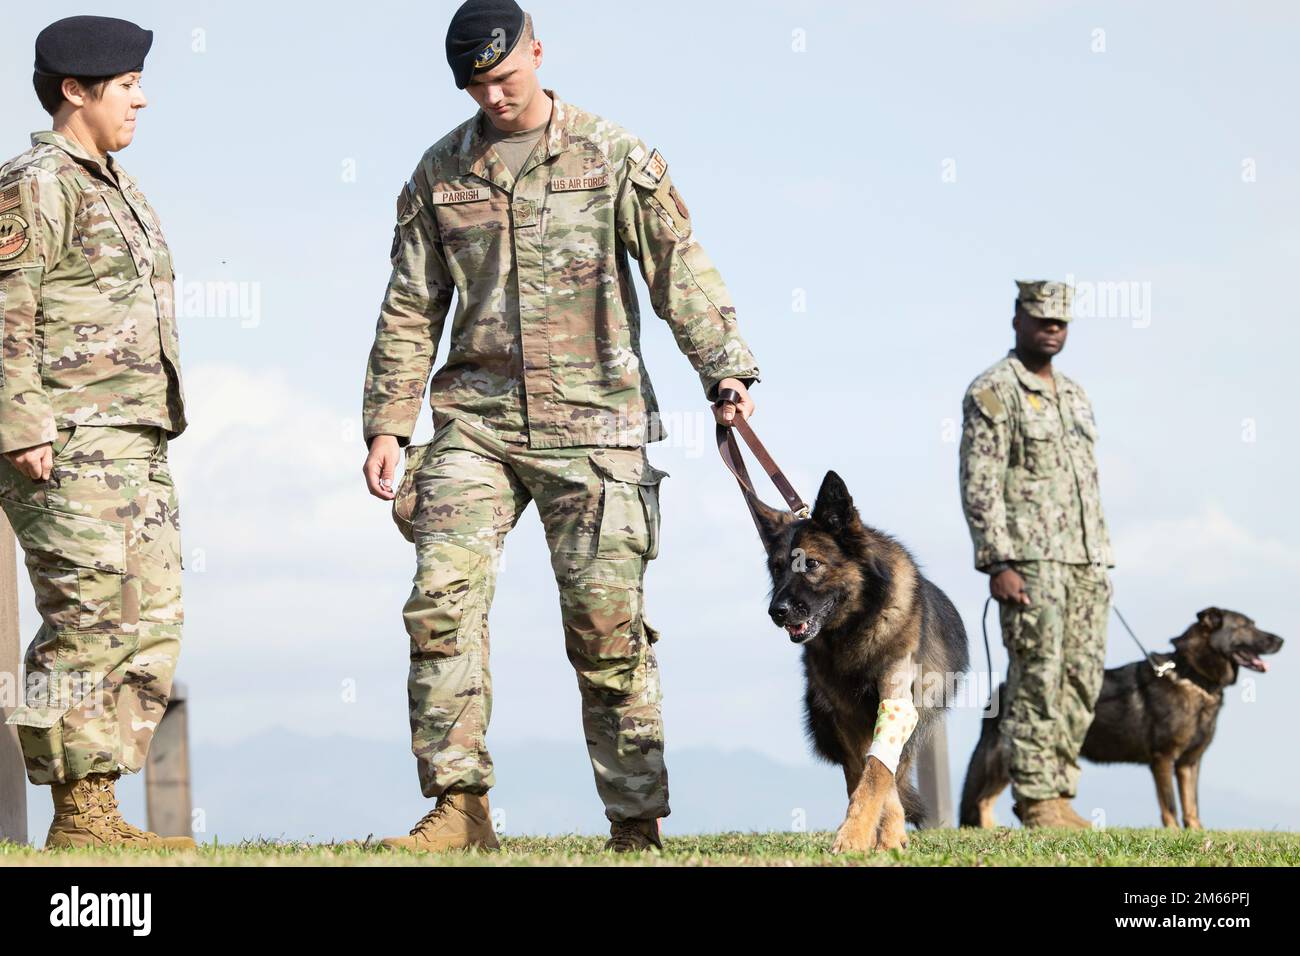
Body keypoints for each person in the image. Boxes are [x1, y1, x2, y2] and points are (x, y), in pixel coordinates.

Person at [361, 0, 760, 852]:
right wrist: (389, 424)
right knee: (440, 604)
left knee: (606, 629)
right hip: (477, 426)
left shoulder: (611, 155)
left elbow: (677, 267)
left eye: (505, 77)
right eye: (477, 86)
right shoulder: (439, 173)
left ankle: (634, 820)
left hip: (597, 423)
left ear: (538, 52)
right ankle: (460, 807)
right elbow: (410, 305)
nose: (494, 96)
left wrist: (724, 368)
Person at [0, 15, 190, 849]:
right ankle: (76, 811)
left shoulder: (118, 186)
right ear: (75, 91)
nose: (141, 100)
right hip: (66, 440)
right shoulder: (36, 183)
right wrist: (20, 425)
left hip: (135, 440)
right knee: (85, 617)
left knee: (149, 619)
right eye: (127, 86)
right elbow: (6, 309)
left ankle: (100, 801)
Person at [958, 280, 1112, 829]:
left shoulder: (1074, 394)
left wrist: (1099, 560)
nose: (1052, 329)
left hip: (1085, 561)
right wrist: (998, 561)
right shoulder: (993, 390)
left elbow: (1085, 483)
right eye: (1041, 318)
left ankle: (1061, 792)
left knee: (1082, 678)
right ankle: (1036, 796)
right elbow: (980, 480)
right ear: (1017, 319)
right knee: (1037, 678)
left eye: (1060, 321)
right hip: (1030, 563)